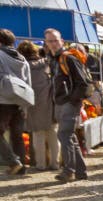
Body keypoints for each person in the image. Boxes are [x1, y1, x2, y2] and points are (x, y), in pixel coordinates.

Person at [44, 28, 88, 182]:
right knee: (70, 137)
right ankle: (81, 171)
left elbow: (82, 83)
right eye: (50, 41)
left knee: (64, 135)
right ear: (46, 43)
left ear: (62, 41)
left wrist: (72, 100)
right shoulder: (52, 58)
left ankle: (69, 171)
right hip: (60, 102)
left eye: (56, 40)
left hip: (69, 102)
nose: (53, 43)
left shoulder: (68, 58)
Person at [18, 41, 57, 172]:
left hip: (33, 106)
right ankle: (55, 163)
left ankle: (41, 164)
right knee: (53, 134)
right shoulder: (46, 63)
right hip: (50, 104)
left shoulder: (23, 68)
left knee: (38, 136)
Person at [0, 29, 31, 176]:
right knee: (17, 135)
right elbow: (28, 82)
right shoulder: (23, 59)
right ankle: (22, 168)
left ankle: (13, 162)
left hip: (3, 100)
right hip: (20, 100)